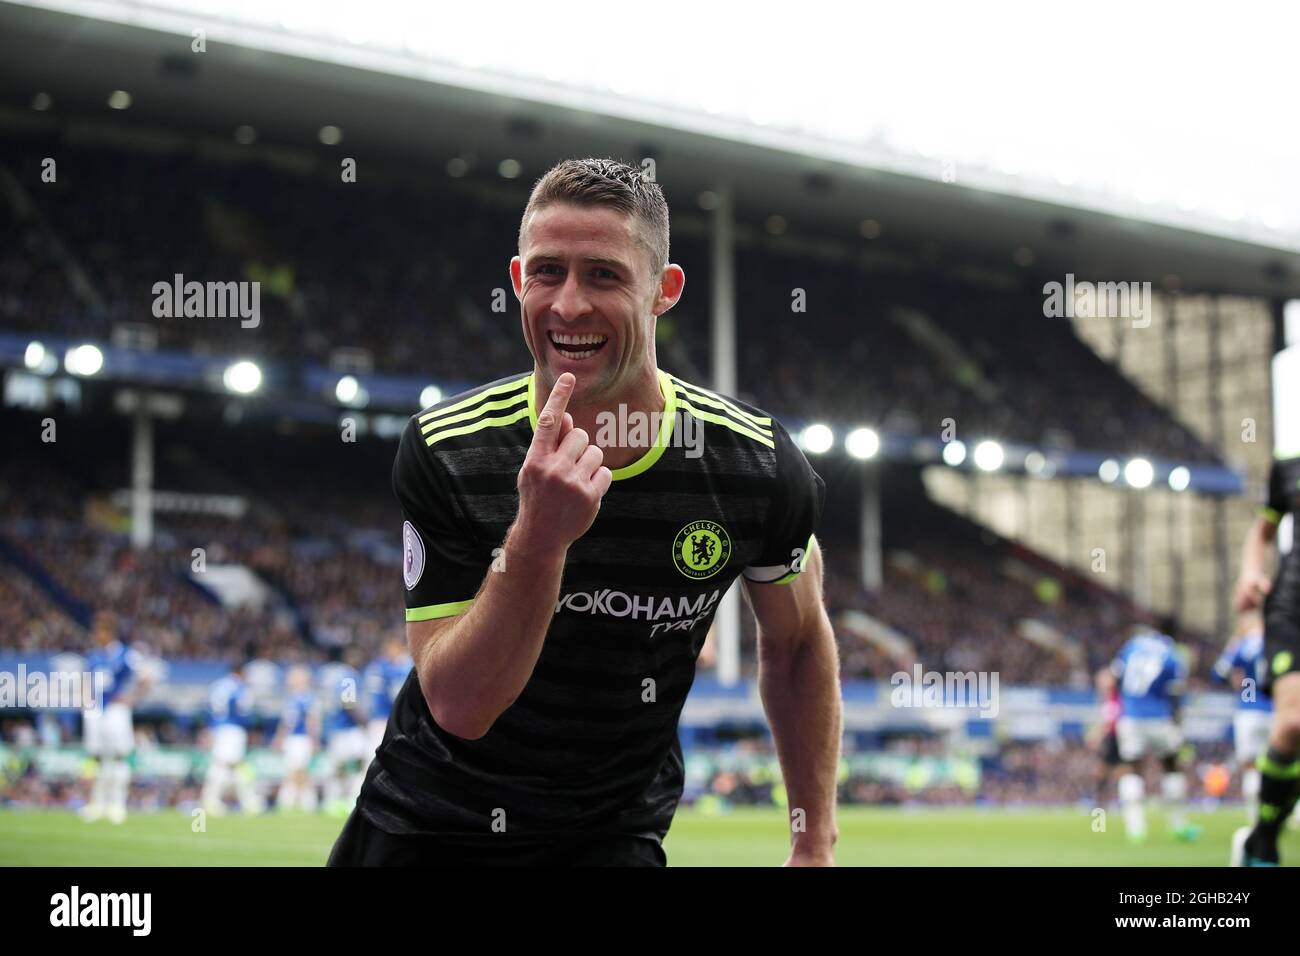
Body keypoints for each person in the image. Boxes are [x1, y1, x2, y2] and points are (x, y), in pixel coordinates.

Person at [330, 157, 840, 867]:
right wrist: (538, 539)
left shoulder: (752, 465)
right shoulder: (450, 449)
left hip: (609, 837)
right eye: (547, 272)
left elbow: (798, 643)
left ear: (664, 291)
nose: (568, 305)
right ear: (517, 280)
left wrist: (812, 840)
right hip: (426, 826)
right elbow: (459, 706)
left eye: (603, 274)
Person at [1231, 453, 1300, 866]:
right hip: (1292, 606)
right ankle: (1266, 846)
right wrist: (1250, 573)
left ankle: (1257, 839)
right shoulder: (1288, 469)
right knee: (1293, 723)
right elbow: (1263, 532)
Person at [1111, 621, 1200, 843]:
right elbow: (1175, 694)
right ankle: (1178, 825)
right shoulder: (1171, 654)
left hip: (1130, 717)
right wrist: (1178, 725)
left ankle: (1135, 828)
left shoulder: (1132, 646)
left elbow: (1114, 678)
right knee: (1171, 767)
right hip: (1159, 718)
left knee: (1132, 769)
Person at [80, 611, 150, 824]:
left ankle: (117, 804)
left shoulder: (126, 654)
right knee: (99, 758)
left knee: (120, 756)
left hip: (116, 710)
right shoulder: (93, 656)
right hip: (97, 711)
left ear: (108, 631)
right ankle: (97, 803)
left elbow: (146, 678)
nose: (96, 635)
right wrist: (86, 703)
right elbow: (85, 682)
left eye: (99, 631)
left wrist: (131, 699)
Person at [1211, 611, 1271, 821]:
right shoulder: (1276, 640)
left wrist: (1241, 680)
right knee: (1284, 761)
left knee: (1251, 766)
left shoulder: (1242, 645)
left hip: (1249, 709)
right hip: (1275, 709)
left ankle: (1255, 817)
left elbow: (1218, 673)